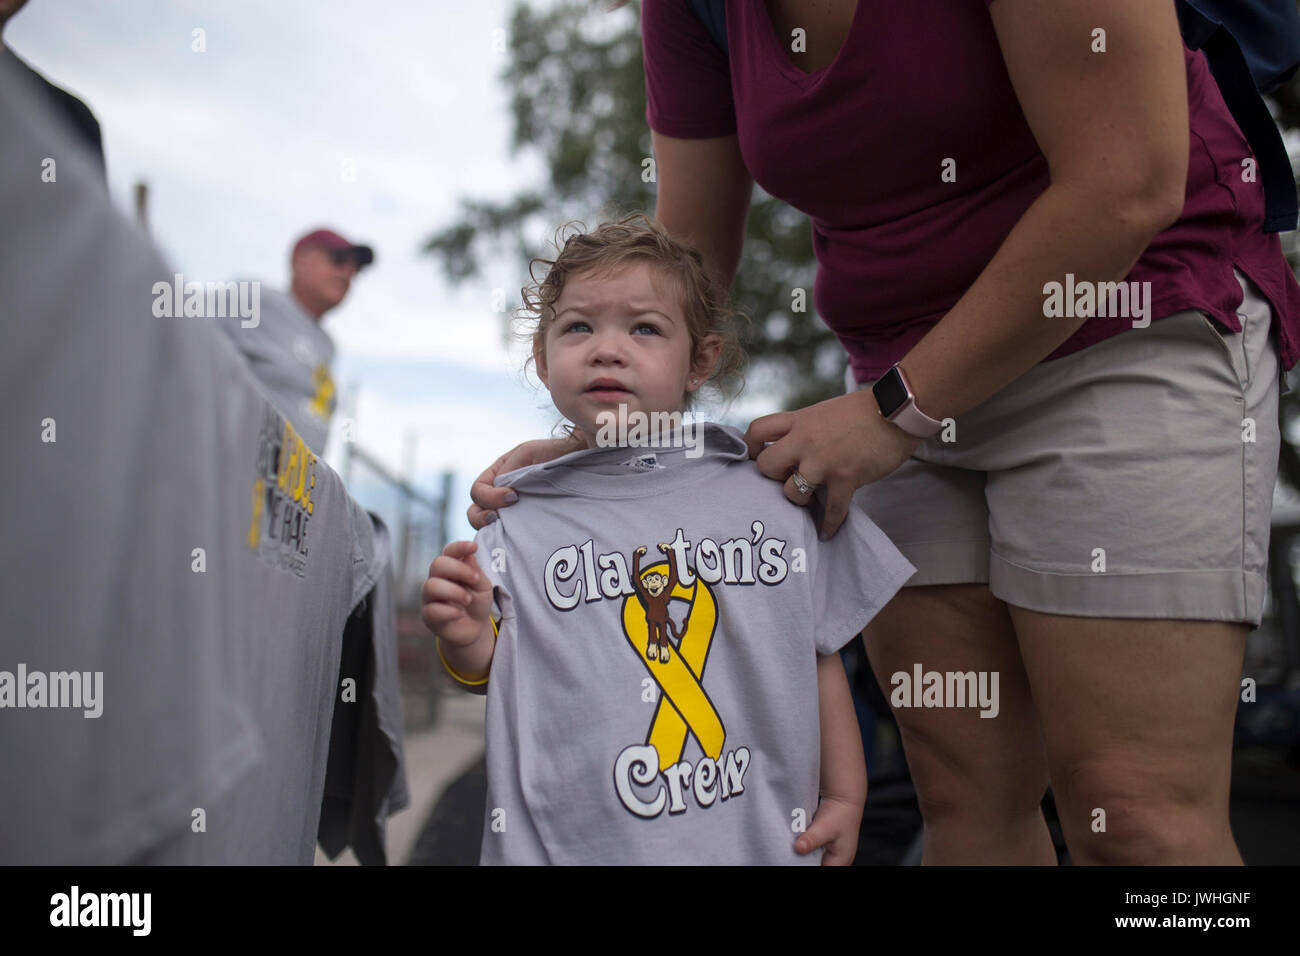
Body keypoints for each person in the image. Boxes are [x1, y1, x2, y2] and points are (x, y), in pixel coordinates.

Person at [470, 0, 1300, 865]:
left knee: (1139, 818)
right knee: (962, 802)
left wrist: (896, 411)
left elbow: (1128, 178)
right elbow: (687, 260)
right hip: (887, 380)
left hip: (1123, 322)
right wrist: (613, 439)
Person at [422, 215, 916, 865]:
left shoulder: (775, 488)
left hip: (760, 842)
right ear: (542, 361)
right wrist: (463, 636)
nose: (607, 348)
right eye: (578, 327)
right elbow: (493, 668)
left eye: (644, 328)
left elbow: (815, 648)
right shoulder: (516, 515)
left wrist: (845, 795)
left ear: (700, 360)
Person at [220, 227, 374, 455]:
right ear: (300, 259)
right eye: (338, 259)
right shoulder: (256, 299)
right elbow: (182, 330)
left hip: (289, 485)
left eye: (355, 269)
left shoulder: (327, 345)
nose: (347, 273)